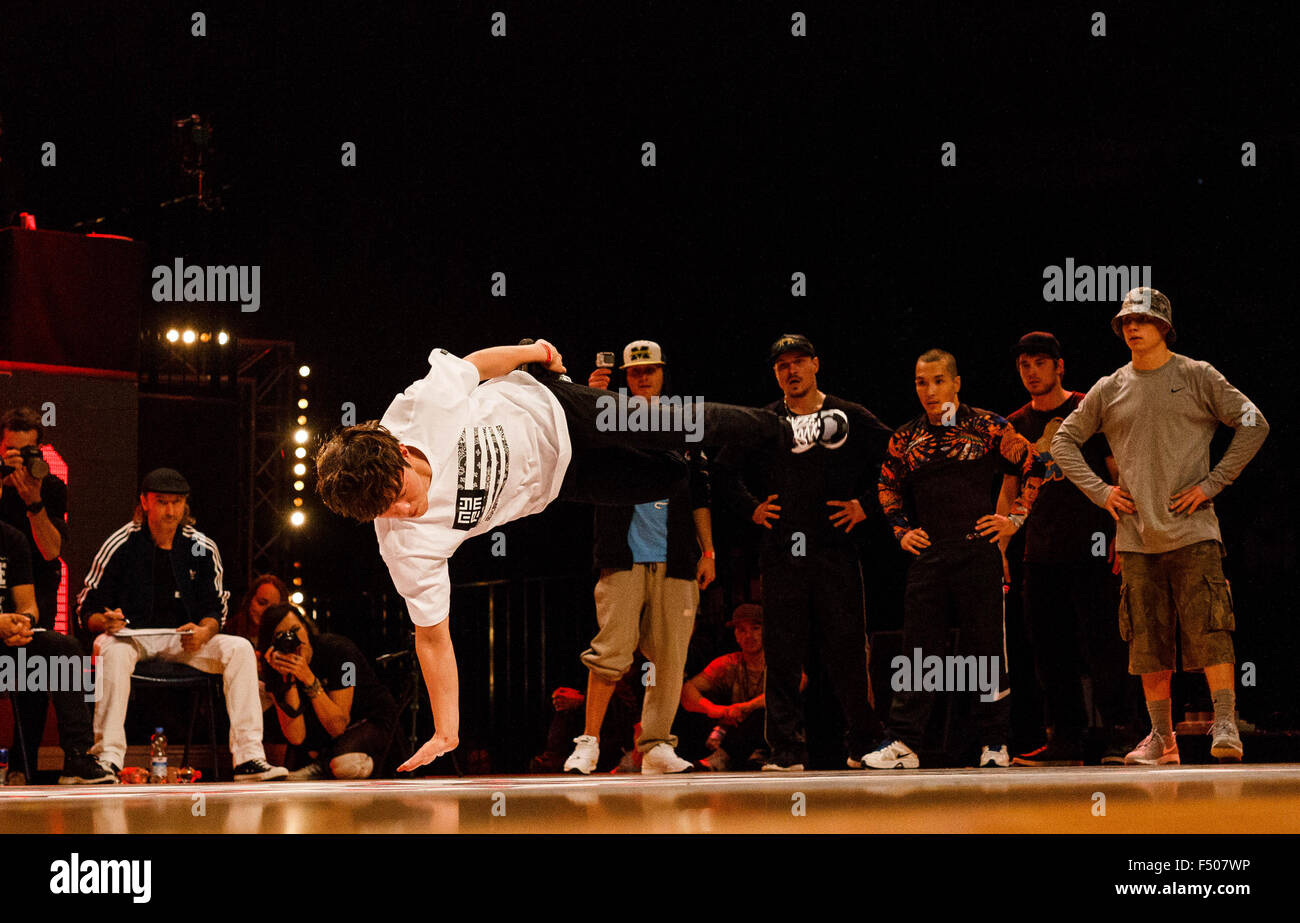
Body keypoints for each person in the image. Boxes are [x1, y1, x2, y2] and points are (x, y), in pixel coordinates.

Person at [314, 339, 851, 771]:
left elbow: (476, 365)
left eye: (403, 494)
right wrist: (446, 726)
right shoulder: (404, 543)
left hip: (557, 409)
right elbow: (432, 635)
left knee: (662, 422)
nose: (406, 511)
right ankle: (697, 448)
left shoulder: (423, 407)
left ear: (405, 452)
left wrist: (536, 354)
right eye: (388, 512)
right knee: (665, 474)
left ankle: (788, 429)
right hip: (560, 478)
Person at [1051, 288, 1268, 764]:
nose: (1132, 327)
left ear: (1164, 327)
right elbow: (1063, 442)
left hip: (1192, 531)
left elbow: (1254, 422)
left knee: (1210, 626)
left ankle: (1225, 722)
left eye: (1143, 321)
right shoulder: (1111, 387)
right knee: (1146, 638)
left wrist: (1213, 483)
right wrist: (1103, 493)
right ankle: (1162, 738)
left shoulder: (1196, 375)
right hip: (1136, 538)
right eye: (1126, 321)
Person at [866, 349, 1053, 770]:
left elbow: (1035, 464)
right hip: (929, 557)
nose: (929, 391)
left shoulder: (986, 425)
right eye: (921, 382)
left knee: (987, 650)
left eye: (937, 381)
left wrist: (1014, 519)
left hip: (977, 552)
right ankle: (905, 742)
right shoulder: (905, 436)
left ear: (955, 383)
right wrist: (900, 530)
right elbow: (885, 485)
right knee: (918, 652)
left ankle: (994, 743)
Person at [715, 334, 890, 771]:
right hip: (782, 553)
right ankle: (786, 749)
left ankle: (864, 743)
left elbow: (897, 457)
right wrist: (752, 508)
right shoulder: (765, 421)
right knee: (784, 653)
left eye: (798, 362)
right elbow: (721, 471)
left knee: (847, 649)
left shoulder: (849, 415)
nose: (791, 371)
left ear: (816, 364)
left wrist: (865, 506)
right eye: (782, 366)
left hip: (835, 550)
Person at [76, 467, 287, 780]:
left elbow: (216, 609)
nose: (170, 510)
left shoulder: (201, 547)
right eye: (162, 501)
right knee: (112, 651)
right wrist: (105, 621)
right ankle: (107, 758)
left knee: (239, 648)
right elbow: (85, 606)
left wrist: (204, 631)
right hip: (131, 637)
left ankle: (248, 758)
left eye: (177, 502)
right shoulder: (122, 544)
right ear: (144, 502)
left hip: (184, 640)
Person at [563, 340, 714, 775]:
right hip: (622, 556)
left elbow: (701, 492)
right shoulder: (608, 419)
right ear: (626, 377)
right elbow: (579, 455)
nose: (643, 377)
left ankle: (656, 746)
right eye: (635, 372)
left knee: (670, 658)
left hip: (678, 558)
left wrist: (709, 550)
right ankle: (588, 742)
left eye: (650, 370)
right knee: (610, 652)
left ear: (663, 373)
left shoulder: (682, 424)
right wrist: (591, 400)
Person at [998, 332, 1132, 766]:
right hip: (1040, 552)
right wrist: (1000, 546)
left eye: (1039, 362)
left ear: (1059, 366)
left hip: (1094, 549)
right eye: (1024, 365)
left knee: (1105, 644)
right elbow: (1010, 489)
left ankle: (1120, 735)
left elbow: (1119, 473)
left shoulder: (1087, 407)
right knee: (1049, 650)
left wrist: (1123, 533)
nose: (1032, 371)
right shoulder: (1015, 424)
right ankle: (1066, 738)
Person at [1, 520, 114, 783]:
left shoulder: (12, 539)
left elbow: (28, 605)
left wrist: (21, 623)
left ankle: (77, 757)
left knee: (63, 648)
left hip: (8, 638)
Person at [258, 604, 399, 779]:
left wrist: (308, 678)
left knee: (346, 765)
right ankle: (321, 764)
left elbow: (338, 725)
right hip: (321, 734)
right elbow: (296, 736)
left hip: (368, 720)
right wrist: (290, 680)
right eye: (282, 636)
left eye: (296, 629)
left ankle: (320, 767)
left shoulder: (342, 653)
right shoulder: (274, 668)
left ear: (306, 627)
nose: (292, 639)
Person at [680, 603, 776, 771]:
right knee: (701, 705)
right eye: (741, 630)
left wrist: (747, 707)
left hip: (771, 736)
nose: (748, 636)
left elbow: (798, 684)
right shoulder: (728, 663)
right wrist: (715, 709)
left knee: (766, 710)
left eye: (755, 628)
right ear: (736, 636)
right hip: (734, 734)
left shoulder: (778, 661)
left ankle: (731, 757)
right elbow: (687, 690)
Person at [2, 407, 70, 640]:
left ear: (38, 451)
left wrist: (34, 502)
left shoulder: (52, 488)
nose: (18, 459)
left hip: (38, 588)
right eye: (11, 451)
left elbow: (51, 551)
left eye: (25, 451)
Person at [227, 574, 289, 645]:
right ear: (250, 600)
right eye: (261, 603)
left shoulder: (282, 640)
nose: (266, 611)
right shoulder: (229, 631)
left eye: (273, 608)